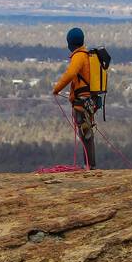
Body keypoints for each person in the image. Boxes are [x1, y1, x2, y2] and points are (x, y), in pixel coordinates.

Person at [52, 26, 97, 168]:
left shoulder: (79, 56)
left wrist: (57, 88)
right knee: (86, 133)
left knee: (85, 134)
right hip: (89, 101)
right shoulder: (87, 55)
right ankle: (90, 166)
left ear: (70, 43)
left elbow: (71, 74)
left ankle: (90, 167)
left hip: (81, 102)